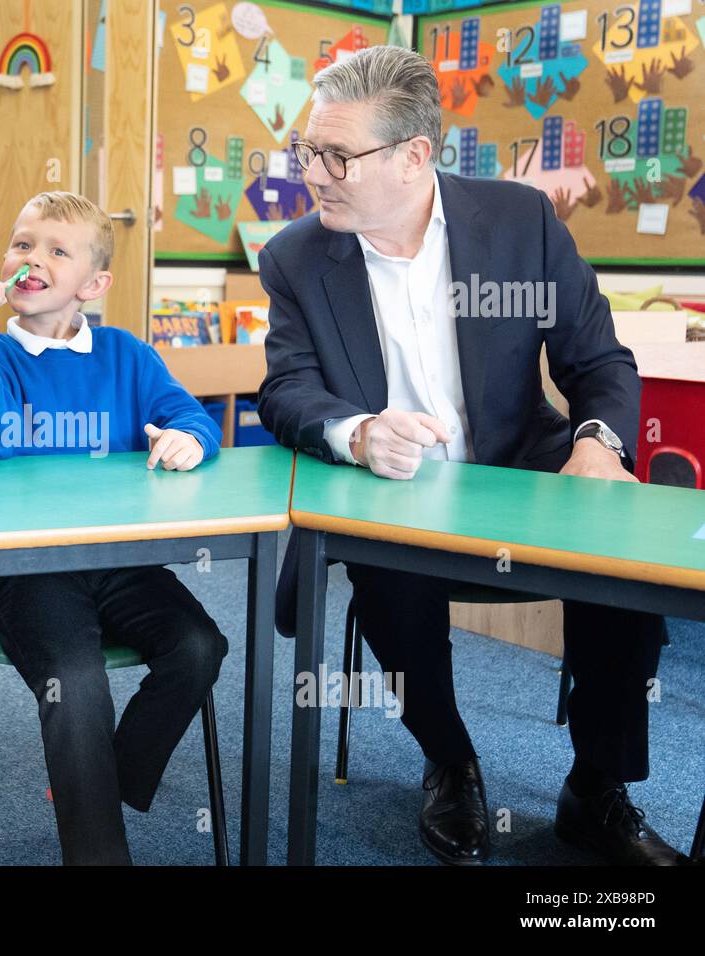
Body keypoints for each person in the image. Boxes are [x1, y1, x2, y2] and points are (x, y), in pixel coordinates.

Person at [258, 45, 683, 866]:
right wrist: (358, 433)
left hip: (522, 475)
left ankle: (597, 788)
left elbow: (598, 363)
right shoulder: (296, 257)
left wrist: (598, 443)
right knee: (389, 575)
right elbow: (287, 392)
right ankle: (449, 762)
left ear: (414, 156)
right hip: (393, 493)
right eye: (309, 151)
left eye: (337, 155)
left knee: (624, 581)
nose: (316, 172)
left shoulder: (520, 222)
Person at [0, 191, 227, 865]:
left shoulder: (127, 355)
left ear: (94, 285)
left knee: (199, 647)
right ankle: (99, 852)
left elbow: (193, 418)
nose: (31, 259)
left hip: (119, 561)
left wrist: (190, 439)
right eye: (22, 244)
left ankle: (108, 779)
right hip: (28, 568)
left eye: (56, 250)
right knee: (74, 682)